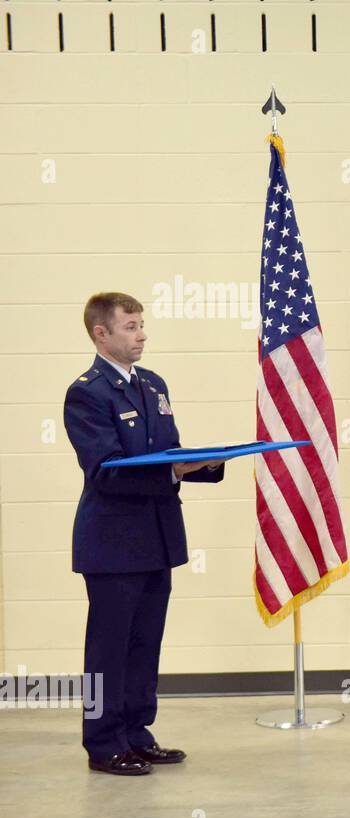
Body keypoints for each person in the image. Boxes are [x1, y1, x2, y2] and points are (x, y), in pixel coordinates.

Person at [63, 293, 224, 776]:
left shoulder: (153, 385)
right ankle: (103, 743)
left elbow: (167, 453)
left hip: (156, 536)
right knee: (107, 648)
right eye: (131, 327)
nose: (142, 334)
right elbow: (106, 470)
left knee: (144, 642)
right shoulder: (87, 393)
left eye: (141, 325)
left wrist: (208, 462)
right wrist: (176, 472)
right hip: (112, 542)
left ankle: (136, 733)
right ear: (102, 334)